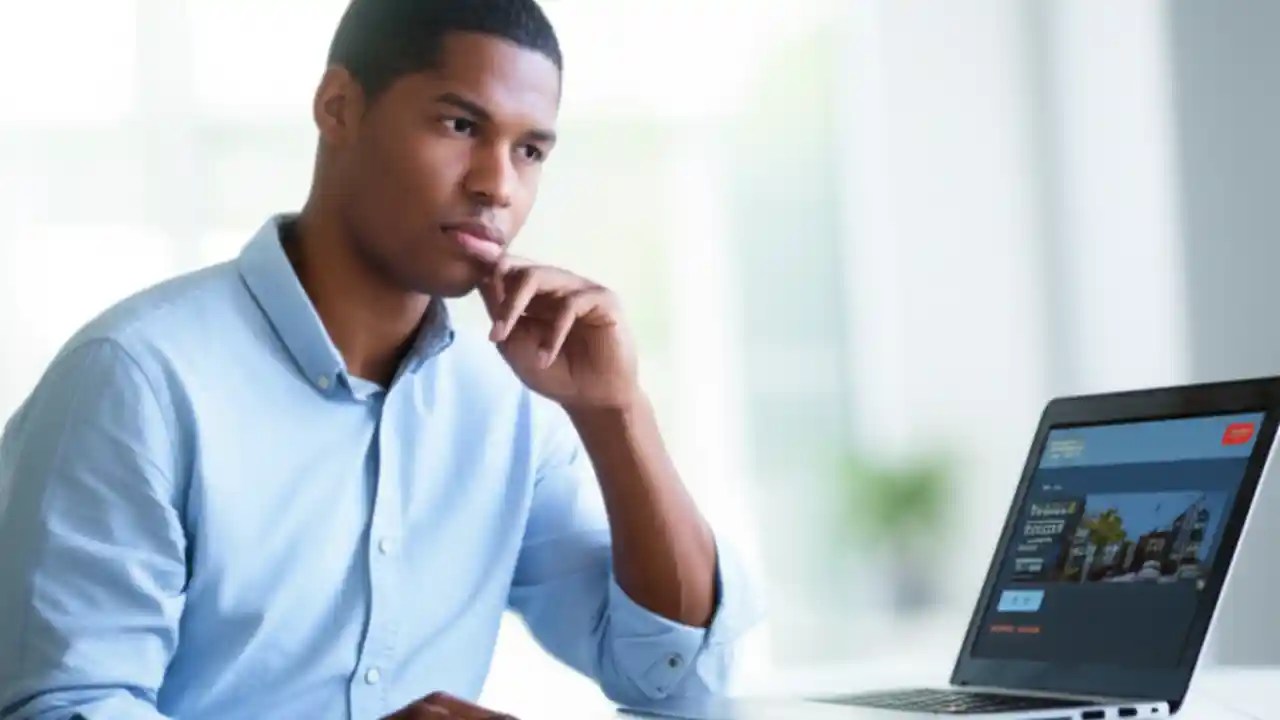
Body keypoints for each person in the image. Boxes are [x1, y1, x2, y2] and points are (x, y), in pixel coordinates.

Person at [0, 1, 757, 718]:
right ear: (338, 107)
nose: (498, 184)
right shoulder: (138, 381)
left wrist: (616, 411)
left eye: (529, 150)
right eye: (461, 124)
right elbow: (69, 704)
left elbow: (675, 676)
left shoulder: (506, 396)